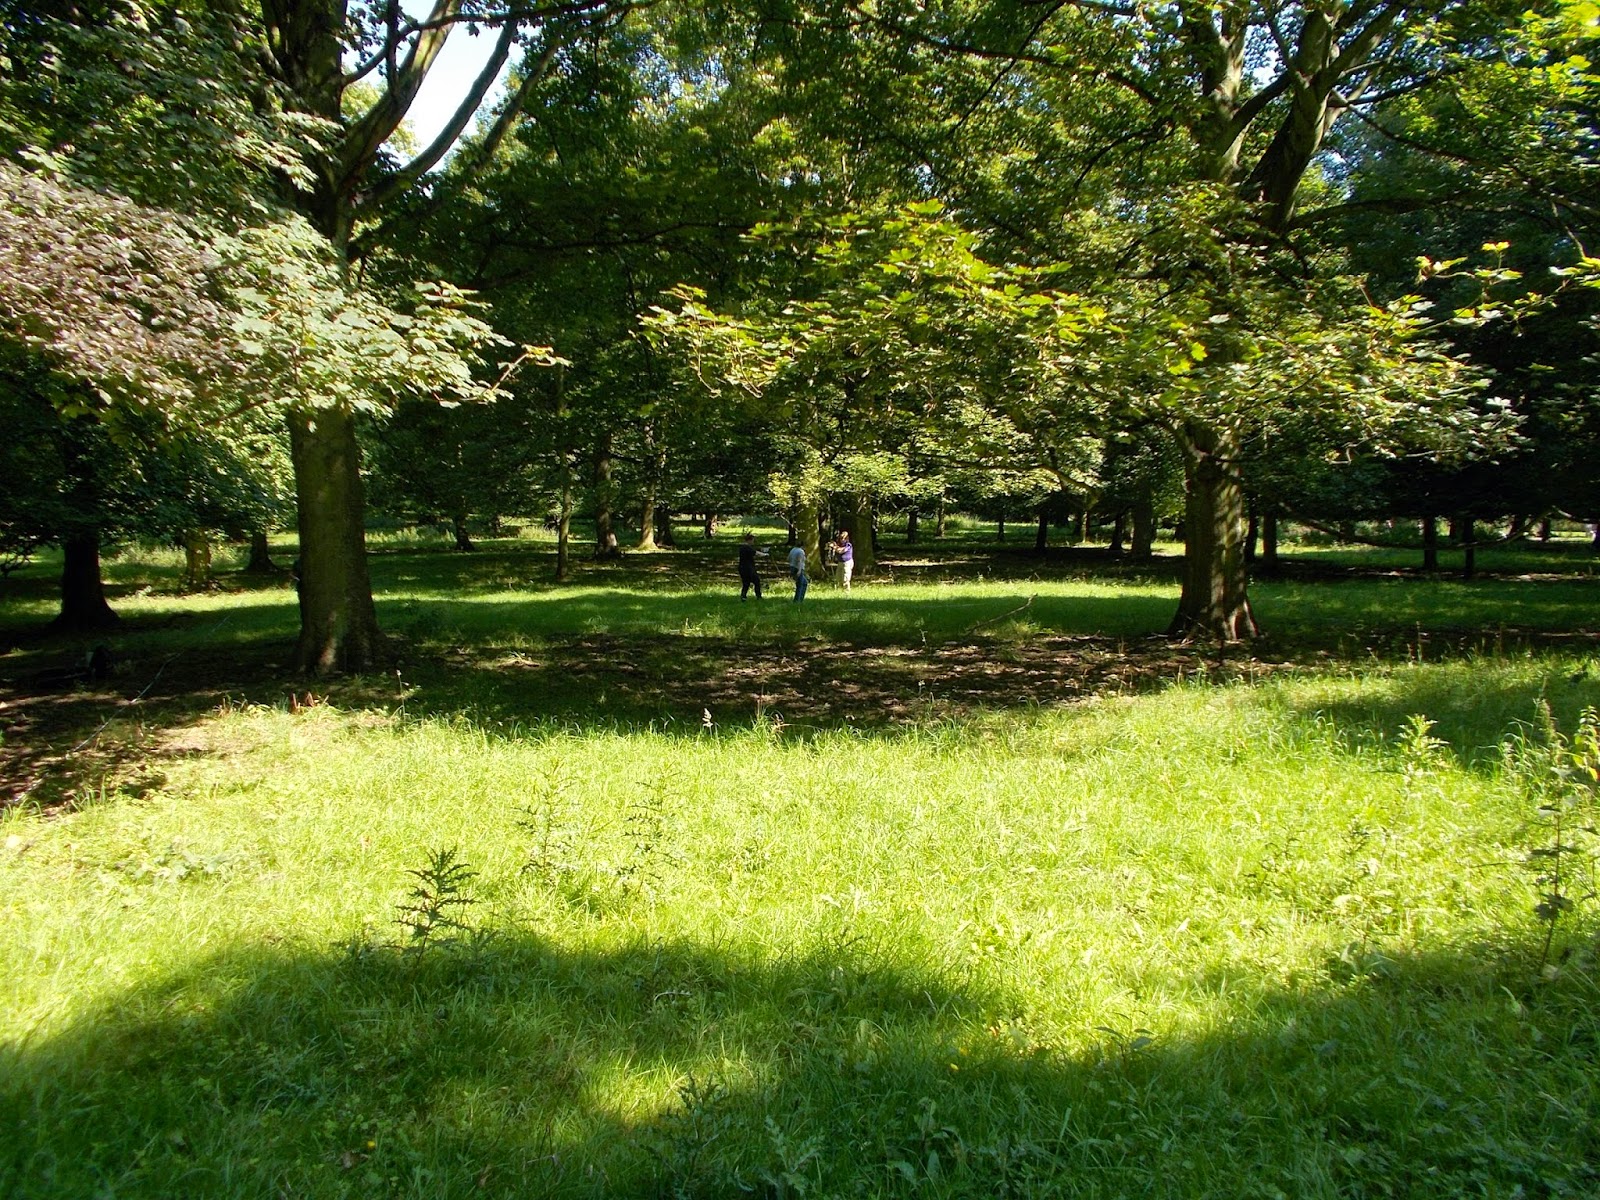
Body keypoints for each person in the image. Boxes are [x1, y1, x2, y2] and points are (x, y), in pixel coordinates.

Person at [737, 532, 764, 600]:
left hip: (742, 567)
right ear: (749, 540)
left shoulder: (742, 547)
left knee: (746, 582)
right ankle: (758, 596)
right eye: (753, 540)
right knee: (756, 581)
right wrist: (764, 554)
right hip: (748, 568)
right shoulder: (747, 547)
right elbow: (756, 553)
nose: (753, 542)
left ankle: (743, 596)